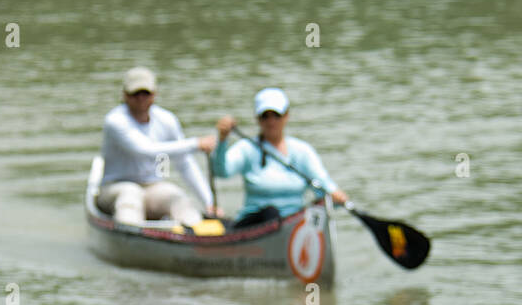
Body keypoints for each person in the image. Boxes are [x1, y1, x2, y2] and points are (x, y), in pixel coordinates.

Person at [97, 67, 218, 228]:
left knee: (177, 197)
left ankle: (198, 234)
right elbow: (146, 150)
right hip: (115, 187)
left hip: (153, 187)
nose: (141, 99)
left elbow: (184, 164)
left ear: (154, 94)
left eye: (145, 93)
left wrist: (209, 201)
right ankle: (132, 239)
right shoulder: (115, 120)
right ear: (125, 95)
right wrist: (195, 144)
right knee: (130, 195)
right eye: (135, 94)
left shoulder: (167, 120)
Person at [211, 88, 347, 228]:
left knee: (315, 212)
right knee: (272, 212)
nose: (271, 121)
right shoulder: (247, 148)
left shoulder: (302, 151)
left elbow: (323, 185)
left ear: (286, 115)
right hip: (253, 224)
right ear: (257, 118)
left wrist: (335, 196)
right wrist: (222, 140)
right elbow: (221, 171)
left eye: (276, 115)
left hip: (293, 225)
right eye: (265, 116)